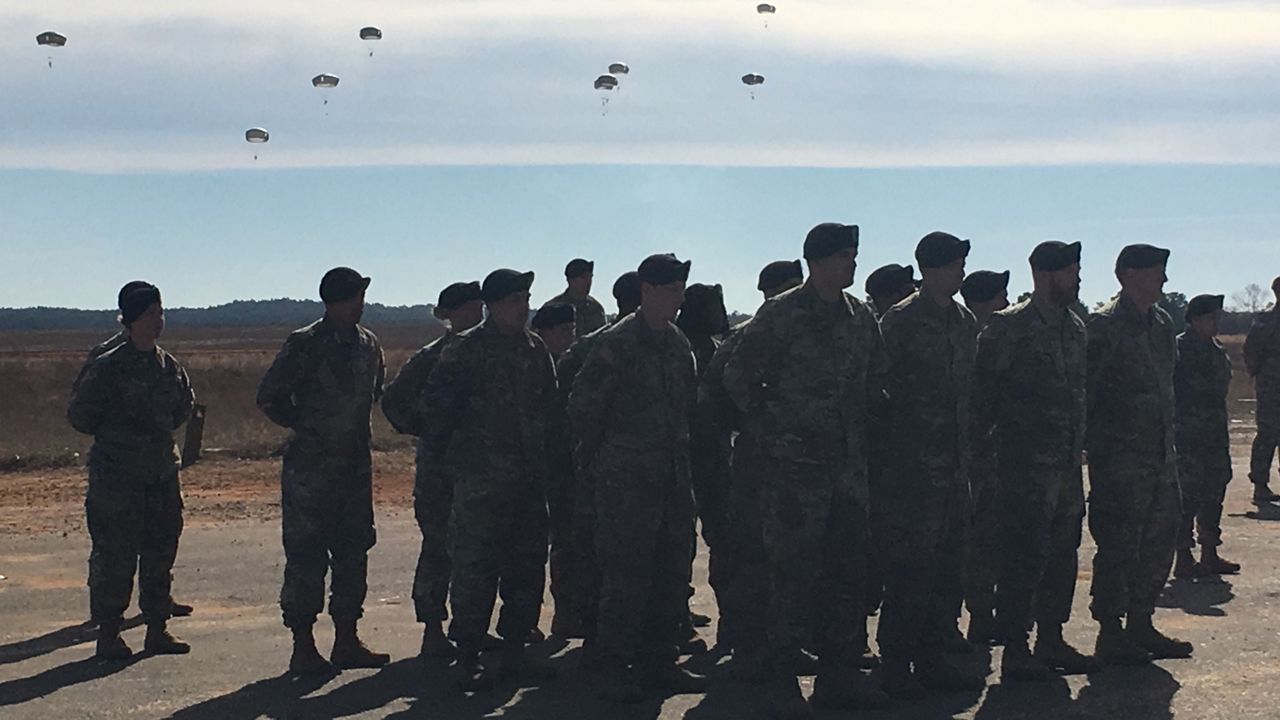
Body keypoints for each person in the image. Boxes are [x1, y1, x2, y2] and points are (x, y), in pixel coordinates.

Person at [723, 224, 888, 718]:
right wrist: (774, 434)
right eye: (844, 256)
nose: (852, 264)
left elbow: (876, 379)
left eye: (854, 255)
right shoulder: (782, 314)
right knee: (789, 579)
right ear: (816, 261)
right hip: (792, 477)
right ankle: (782, 684)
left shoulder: (860, 316)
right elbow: (739, 378)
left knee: (846, 578)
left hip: (846, 475)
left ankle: (838, 679)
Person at [569, 253, 706, 703]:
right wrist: (603, 469)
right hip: (626, 485)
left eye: (681, 289)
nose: (679, 298)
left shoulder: (677, 342)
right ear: (646, 290)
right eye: (671, 290)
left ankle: (659, 662)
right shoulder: (616, 344)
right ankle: (615, 668)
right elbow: (583, 411)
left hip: (671, 482)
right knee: (625, 580)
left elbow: (687, 409)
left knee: (670, 577)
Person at [420, 269, 559, 690]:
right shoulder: (463, 351)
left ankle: (515, 653)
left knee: (526, 573)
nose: (525, 307)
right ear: (494, 305)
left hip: (529, 487)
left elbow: (551, 414)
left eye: (527, 298)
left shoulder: (536, 351)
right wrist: (457, 469)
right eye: (516, 300)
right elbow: (435, 417)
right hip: (480, 488)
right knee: (474, 573)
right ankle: (467, 659)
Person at [256, 267, 389, 675]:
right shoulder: (305, 344)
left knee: (353, 554)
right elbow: (270, 397)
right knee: (307, 557)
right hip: (311, 473)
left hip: (353, 469)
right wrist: (308, 426)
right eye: (354, 297)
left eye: (362, 297)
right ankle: (304, 645)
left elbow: (375, 392)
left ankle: (347, 640)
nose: (360, 304)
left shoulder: (369, 346)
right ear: (334, 301)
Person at [975, 242, 1098, 681]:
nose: (1078, 278)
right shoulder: (1008, 329)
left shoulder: (1075, 327)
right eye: (1071, 271)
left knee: (1064, 555)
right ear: (1045, 275)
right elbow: (982, 402)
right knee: (1022, 557)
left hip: (1065, 467)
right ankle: (1015, 646)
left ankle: (1051, 636)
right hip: (1022, 468)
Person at [876, 231, 984, 699]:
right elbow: (876, 391)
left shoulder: (963, 322)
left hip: (954, 472)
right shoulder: (899, 322)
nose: (961, 271)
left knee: (947, 571)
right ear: (932, 269)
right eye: (956, 263)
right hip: (911, 474)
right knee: (909, 572)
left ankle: (934, 656)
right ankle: (896, 664)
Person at [68, 281, 195, 660]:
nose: (159, 321)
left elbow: (182, 408)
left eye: (161, 313)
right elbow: (80, 414)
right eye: (151, 313)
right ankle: (109, 634)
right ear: (133, 318)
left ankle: (157, 628)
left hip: (160, 475)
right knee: (116, 556)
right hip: (117, 479)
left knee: (160, 552)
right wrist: (119, 437)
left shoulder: (168, 366)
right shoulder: (108, 366)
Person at [1086, 244, 1192, 665]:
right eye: (1156, 272)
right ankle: (1111, 631)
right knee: (1118, 546)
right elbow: (1088, 393)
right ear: (1130, 274)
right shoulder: (1104, 327)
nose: (1164, 280)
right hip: (1120, 462)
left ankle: (1141, 622)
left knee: (1158, 542)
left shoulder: (1162, 324)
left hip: (1160, 458)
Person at [702, 260, 803, 661]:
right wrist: (761, 424)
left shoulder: (810, 331)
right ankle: (745, 645)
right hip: (756, 467)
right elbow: (716, 399)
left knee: (794, 565)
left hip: (802, 470)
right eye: (791, 287)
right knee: (752, 560)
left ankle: (783, 643)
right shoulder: (744, 338)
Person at [381, 281, 484, 658]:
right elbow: (394, 401)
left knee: (477, 551)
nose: (477, 314)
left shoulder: (489, 352)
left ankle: (471, 626)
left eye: (480, 307)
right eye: (469, 308)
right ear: (448, 315)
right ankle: (433, 629)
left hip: (480, 471)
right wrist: (428, 427)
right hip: (440, 471)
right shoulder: (432, 357)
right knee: (439, 548)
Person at [553, 271, 642, 644]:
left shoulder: (667, 341)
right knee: (590, 549)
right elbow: (570, 400)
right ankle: (588, 629)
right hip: (599, 468)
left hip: (641, 471)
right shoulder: (603, 343)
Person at [958, 269, 1011, 646]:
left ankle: (984, 613)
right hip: (966, 459)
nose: (1005, 304)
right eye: (998, 297)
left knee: (992, 537)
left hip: (993, 457)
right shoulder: (964, 339)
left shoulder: (995, 340)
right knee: (974, 539)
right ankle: (977, 614)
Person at [677, 282, 731, 634]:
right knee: (678, 542)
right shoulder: (677, 345)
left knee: (725, 539)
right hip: (682, 458)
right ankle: (675, 618)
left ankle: (733, 619)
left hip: (713, 458)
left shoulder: (713, 350)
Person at [1173, 294, 1240, 577]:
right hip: (1188, 437)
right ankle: (1183, 557)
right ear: (1196, 319)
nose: (1217, 322)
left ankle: (1210, 552)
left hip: (1214, 435)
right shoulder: (1178, 349)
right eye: (1212, 317)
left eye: (1218, 317)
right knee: (1186, 499)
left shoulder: (1216, 349)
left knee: (1214, 494)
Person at [530, 301, 584, 643]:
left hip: (564, 466)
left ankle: (565, 614)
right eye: (564, 330)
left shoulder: (572, 364)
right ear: (545, 332)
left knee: (569, 541)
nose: (571, 336)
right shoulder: (531, 364)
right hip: (532, 467)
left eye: (573, 329)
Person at [1244, 276, 1280, 502]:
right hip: (1271, 387)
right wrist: (1258, 374)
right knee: (1267, 435)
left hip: (1269, 383)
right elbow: (1251, 350)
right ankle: (1260, 485)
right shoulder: (1266, 320)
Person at [550, 258, 608, 337]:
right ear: (570, 280)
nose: (588, 282)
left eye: (590, 277)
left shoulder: (596, 308)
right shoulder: (554, 307)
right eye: (583, 277)